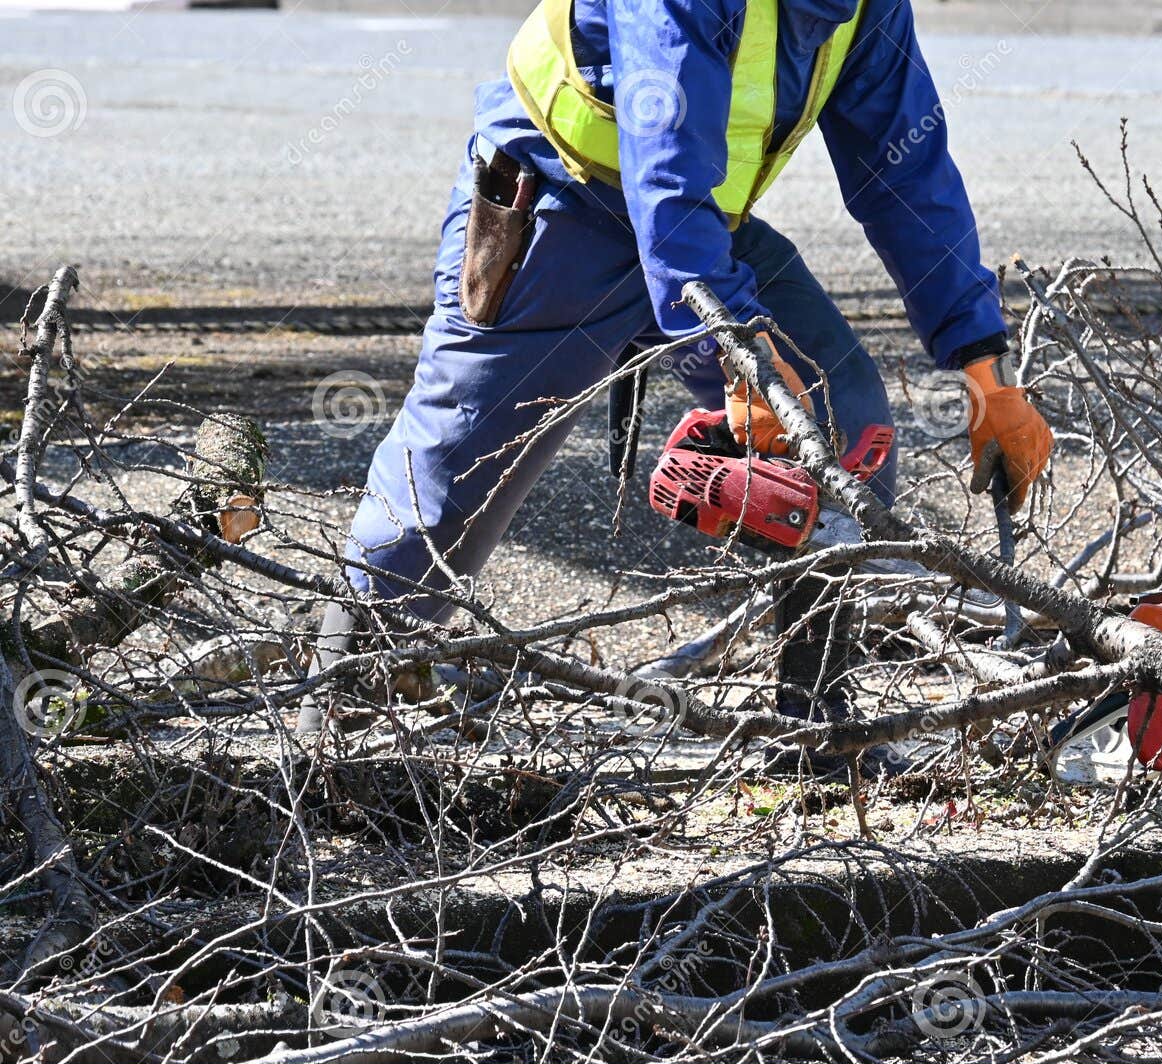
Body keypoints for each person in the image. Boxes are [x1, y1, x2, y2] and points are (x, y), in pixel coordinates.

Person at [297, 0, 1053, 767]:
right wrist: (741, 352)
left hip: (699, 234)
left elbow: (904, 165)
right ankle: (333, 730)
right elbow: (669, 160)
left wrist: (985, 363)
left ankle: (816, 736)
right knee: (445, 487)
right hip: (558, 207)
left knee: (838, 422)